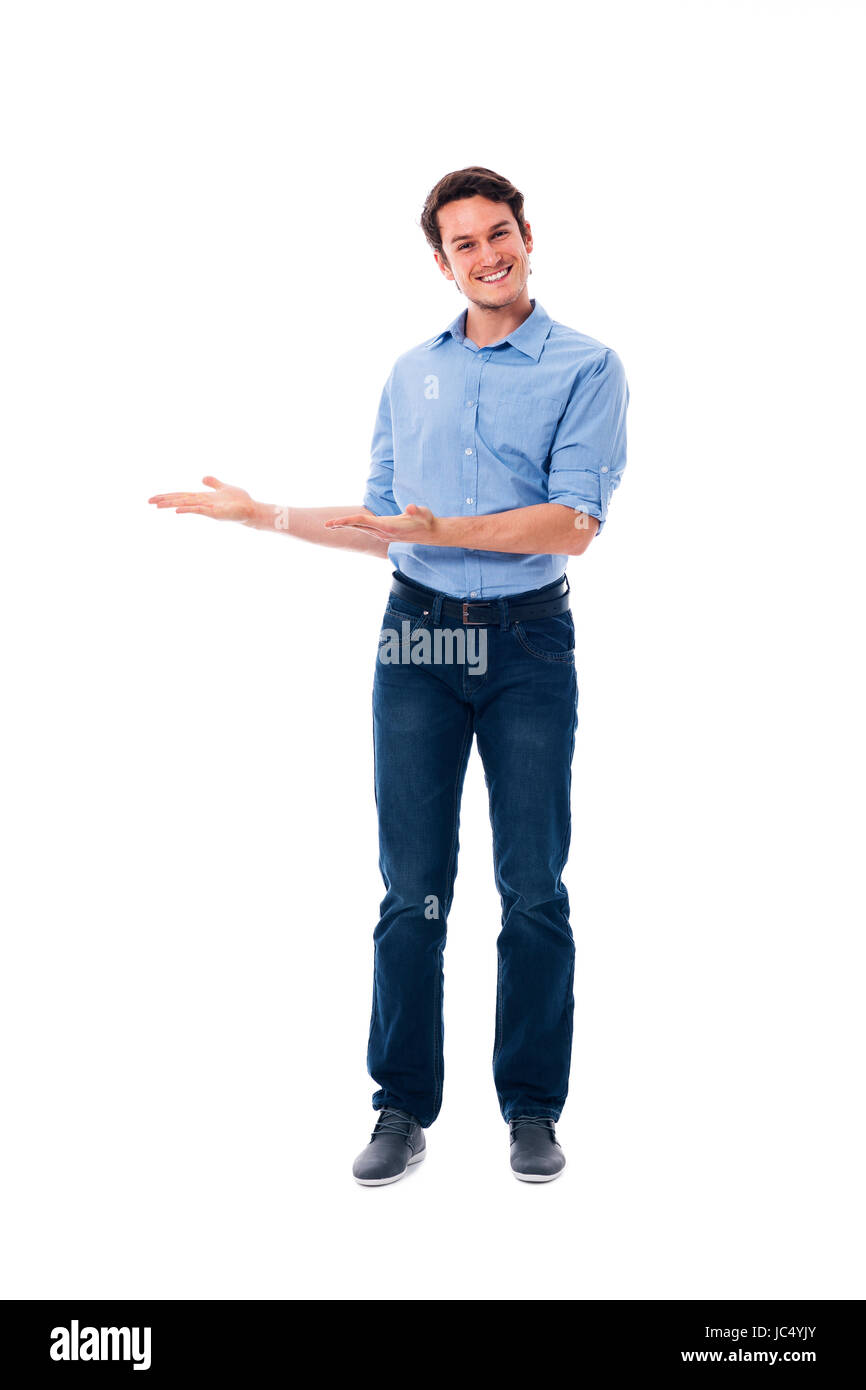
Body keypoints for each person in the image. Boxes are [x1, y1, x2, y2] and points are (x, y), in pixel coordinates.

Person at [149, 165, 629, 1186]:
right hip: (417, 639)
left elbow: (571, 525)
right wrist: (267, 514)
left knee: (532, 886)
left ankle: (532, 1110)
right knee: (410, 888)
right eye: (463, 243)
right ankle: (401, 1104)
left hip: (524, 646)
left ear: (527, 236)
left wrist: (447, 530)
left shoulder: (585, 366)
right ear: (441, 260)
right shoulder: (411, 369)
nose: (486, 254)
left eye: (498, 233)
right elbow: (386, 529)